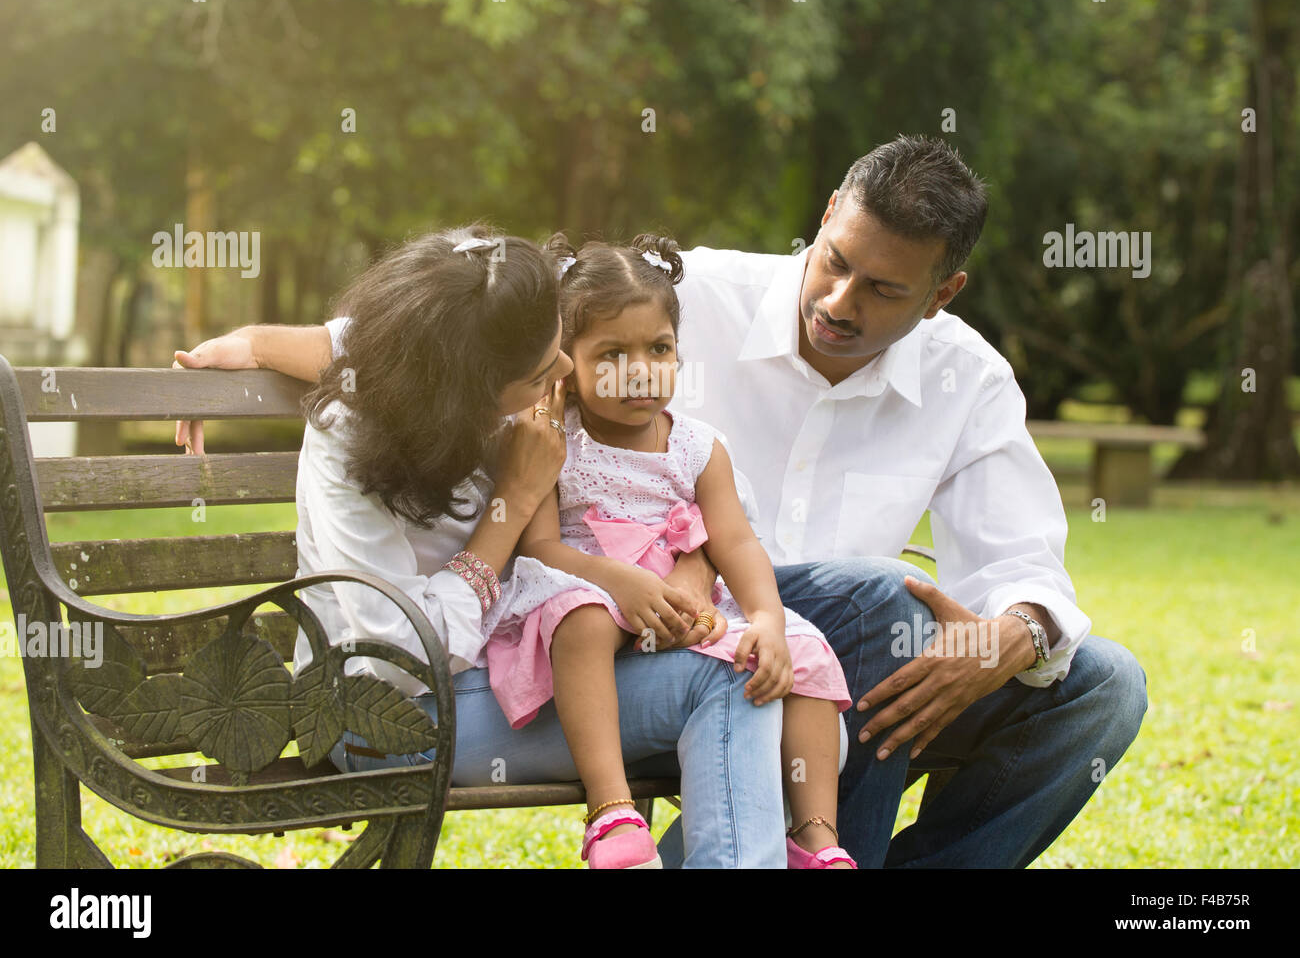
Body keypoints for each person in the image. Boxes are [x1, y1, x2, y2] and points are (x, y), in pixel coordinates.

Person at [175, 135, 1148, 869]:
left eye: (883, 289)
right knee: (876, 605)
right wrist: (279, 339)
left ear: (943, 293)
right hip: (656, 618)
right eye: (834, 260)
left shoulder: (966, 379)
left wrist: (1014, 629)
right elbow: (479, 312)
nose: (841, 299)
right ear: (820, 220)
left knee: (1100, 684)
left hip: (794, 639)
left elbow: (1024, 559)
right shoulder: (687, 294)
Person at [189, 224, 788, 868]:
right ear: (467, 392)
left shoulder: (480, 349)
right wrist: (511, 504)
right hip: (393, 709)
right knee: (736, 687)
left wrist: (255, 340)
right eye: (540, 373)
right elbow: (398, 658)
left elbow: (382, 333)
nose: (566, 374)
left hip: (533, 658)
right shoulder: (352, 443)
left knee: (819, 730)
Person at [481, 234, 853, 869]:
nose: (640, 370)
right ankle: (611, 812)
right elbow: (540, 548)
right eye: (611, 353)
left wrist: (765, 618)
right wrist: (620, 583)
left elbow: (735, 542)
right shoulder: (553, 443)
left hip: (691, 608)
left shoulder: (698, 446)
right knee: (581, 617)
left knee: (805, 644)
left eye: (659, 348)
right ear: (567, 363)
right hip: (595, 592)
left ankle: (816, 840)